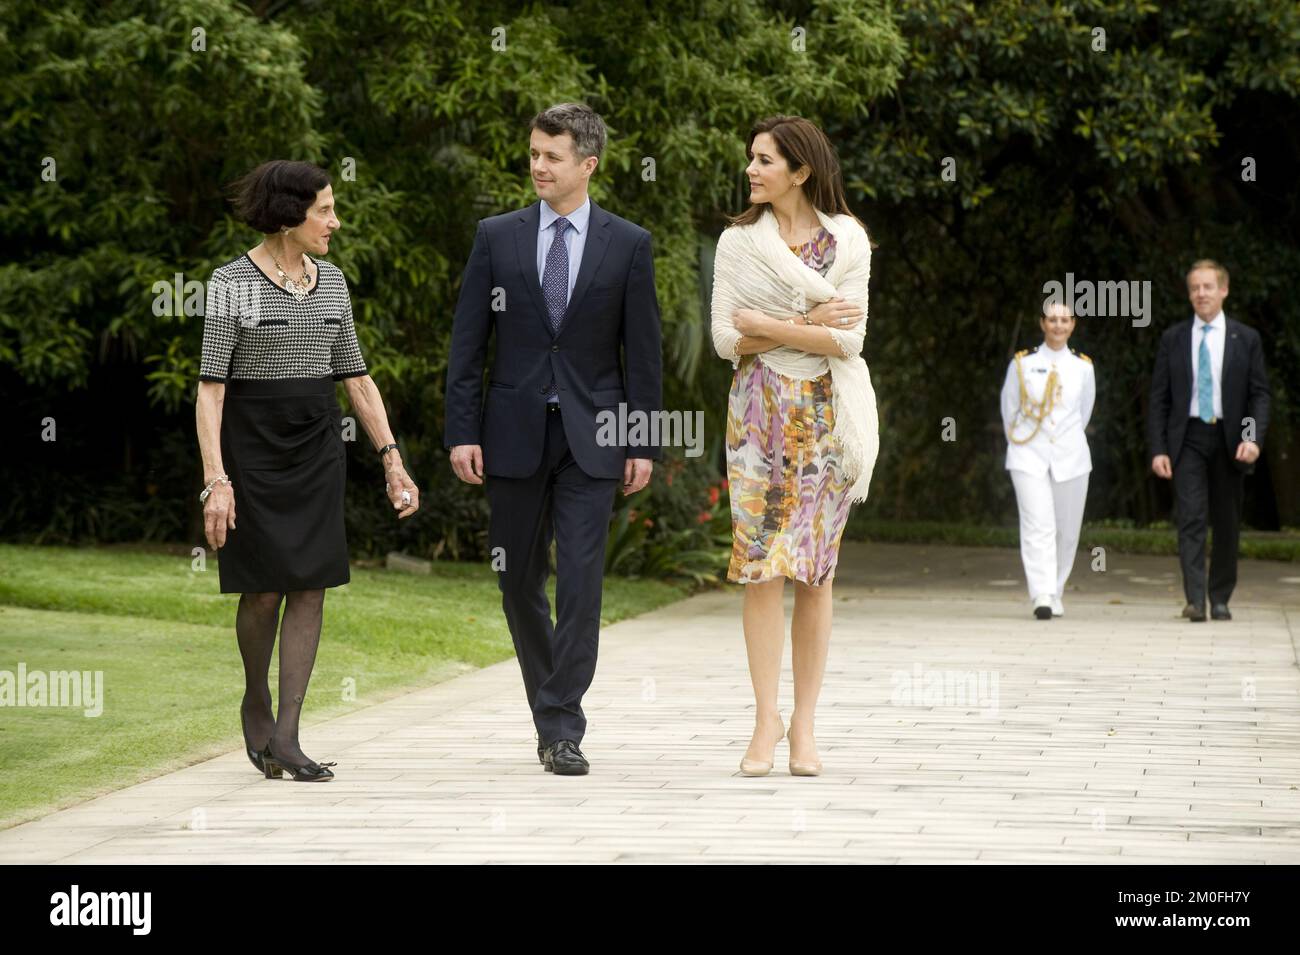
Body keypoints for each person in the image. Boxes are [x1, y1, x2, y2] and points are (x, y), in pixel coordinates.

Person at [443, 103, 662, 776]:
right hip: (510, 435)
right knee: (516, 582)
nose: (538, 166)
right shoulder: (496, 237)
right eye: (534, 153)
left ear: (586, 164)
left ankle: (562, 724)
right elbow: (468, 342)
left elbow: (643, 353)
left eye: (552, 156)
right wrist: (461, 431)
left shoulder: (628, 243)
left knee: (583, 584)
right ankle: (550, 710)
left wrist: (642, 441)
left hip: (594, 436)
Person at [196, 160, 419, 782]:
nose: (334, 221)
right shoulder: (232, 283)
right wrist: (217, 479)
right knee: (264, 585)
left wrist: (391, 460)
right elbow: (211, 391)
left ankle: (287, 736)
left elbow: (357, 377)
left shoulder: (334, 282)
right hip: (254, 446)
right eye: (324, 209)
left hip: (317, 446)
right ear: (288, 215)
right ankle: (256, 699)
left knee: (312, 582)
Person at [710, 115, 879, 778]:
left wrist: (770, 324)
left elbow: (849, 341)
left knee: (816, 571)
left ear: (801, 171)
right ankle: (764, 719)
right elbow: (728, 338)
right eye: (750, 158)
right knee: (761, 566)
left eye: (765, 160)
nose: (751, 170)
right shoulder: (737, 244)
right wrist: (803, 322)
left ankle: (805, 723)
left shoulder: (848, 242)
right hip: (756, 415)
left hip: (827, 415)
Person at [1149, 259, 1270, 622]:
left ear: (1223, 290)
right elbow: (1159, 398)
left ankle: (1220, 597)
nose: (1201, 294)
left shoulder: (1245, 338)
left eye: (1207, 286)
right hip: (1187, 438)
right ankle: (1195, 600)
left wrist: (1252, 438)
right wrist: (1158, 448)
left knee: (1227, 520)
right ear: (1189, 294)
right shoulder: (1173, 338)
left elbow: (1258, 395)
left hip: (1230, 438)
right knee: (1191, 518)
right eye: (1195, 288)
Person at [1000, 302, 1095, 620]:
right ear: (1042, 323)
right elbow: (1009, 409)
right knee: (1037, 523)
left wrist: (1063, 442)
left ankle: (1056, 589)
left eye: (1064, 320)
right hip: (1029, 454)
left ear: (1073, 325)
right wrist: (1023, 445)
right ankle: (1041, 593)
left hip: (1071, 456)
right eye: (1052, 319)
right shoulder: (1023, 364)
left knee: (1067, 530)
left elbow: (1084, 412)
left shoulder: (1083, 367)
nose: (1058, 325)